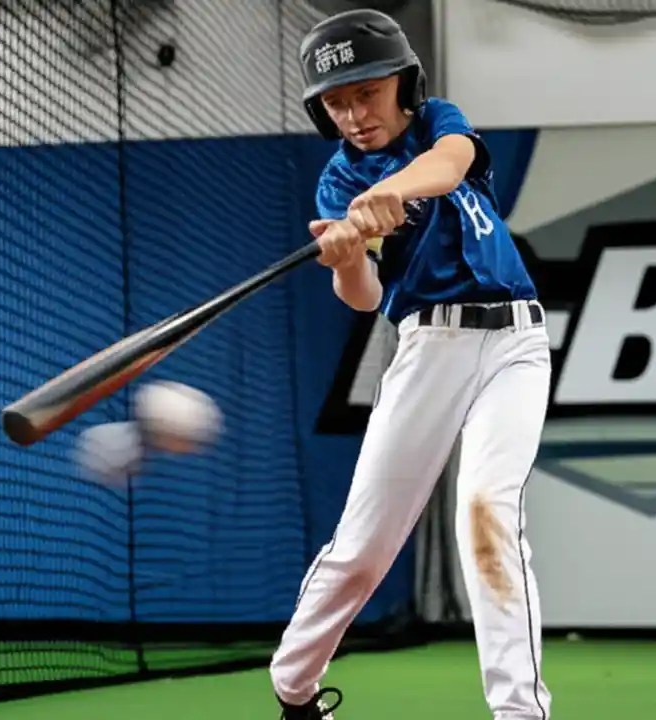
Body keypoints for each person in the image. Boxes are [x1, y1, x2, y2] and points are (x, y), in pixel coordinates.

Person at [270, 9, 552, 720]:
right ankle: (294, 687)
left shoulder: (434, 123)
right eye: (337, 103)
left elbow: (450, 163)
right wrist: (345, 255)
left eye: (367, 92)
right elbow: (364, 296)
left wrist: (393, 191)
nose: (354, 115)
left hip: (518, 342)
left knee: (488, 513)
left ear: (402, 83)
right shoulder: (338, 183)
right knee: (365, 549)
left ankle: (520, 714)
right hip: (429, 349)